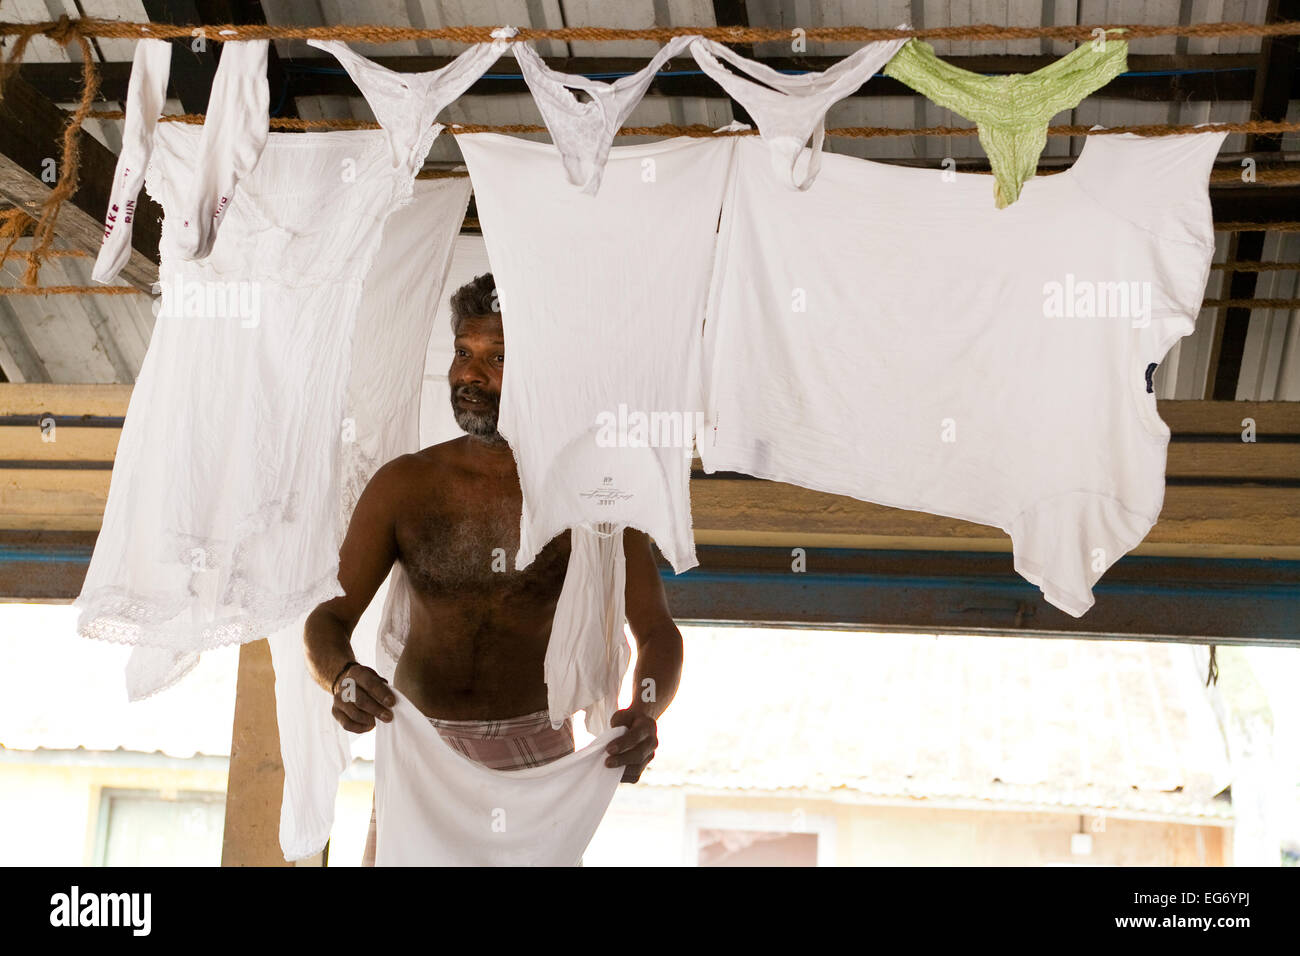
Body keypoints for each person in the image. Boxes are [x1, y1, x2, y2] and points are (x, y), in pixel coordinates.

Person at [303, 272, 685, 865]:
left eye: (498, 357)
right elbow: (328, 619)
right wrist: (343, 676)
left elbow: (656, 630)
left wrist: (644, 709)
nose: (470, 375)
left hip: (537, 759)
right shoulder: (405, 485)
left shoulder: (594, 493)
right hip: (420, 747)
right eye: (463, 352)